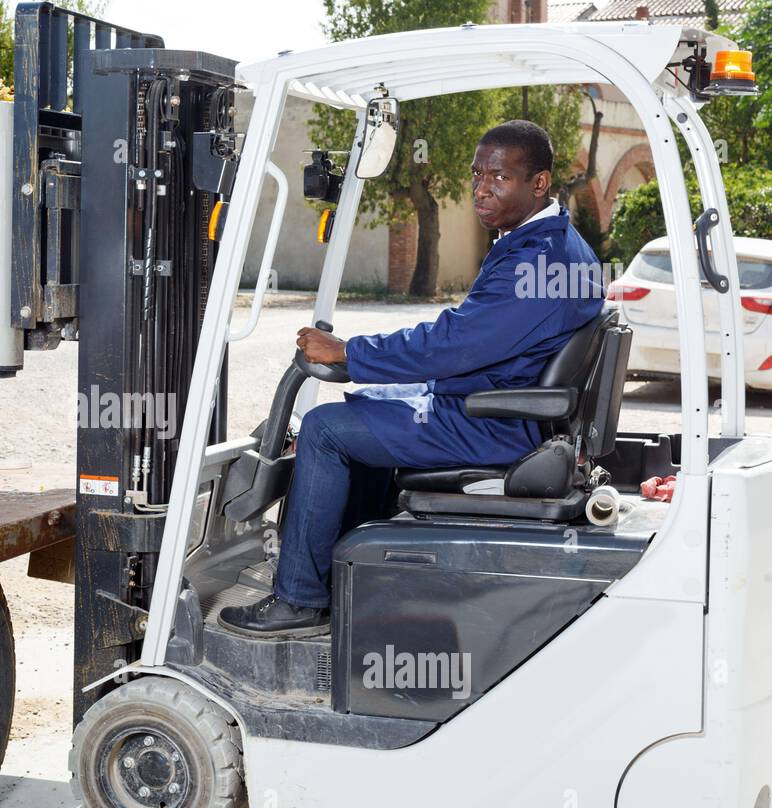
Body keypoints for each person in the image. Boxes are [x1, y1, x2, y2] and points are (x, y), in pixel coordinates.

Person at [220, 119, 607, 637]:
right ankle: (341, 574)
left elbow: (457, 344)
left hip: (491, 423)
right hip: (499, 405)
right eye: (475, 175)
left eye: (497, 177)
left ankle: (300, 599)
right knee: (365, 409)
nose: (480, 188)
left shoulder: (539, 258)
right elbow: (469, 335)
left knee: (324, 430)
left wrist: (351, 352)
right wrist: (368, 366)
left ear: (538, 183)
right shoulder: (551, 244)